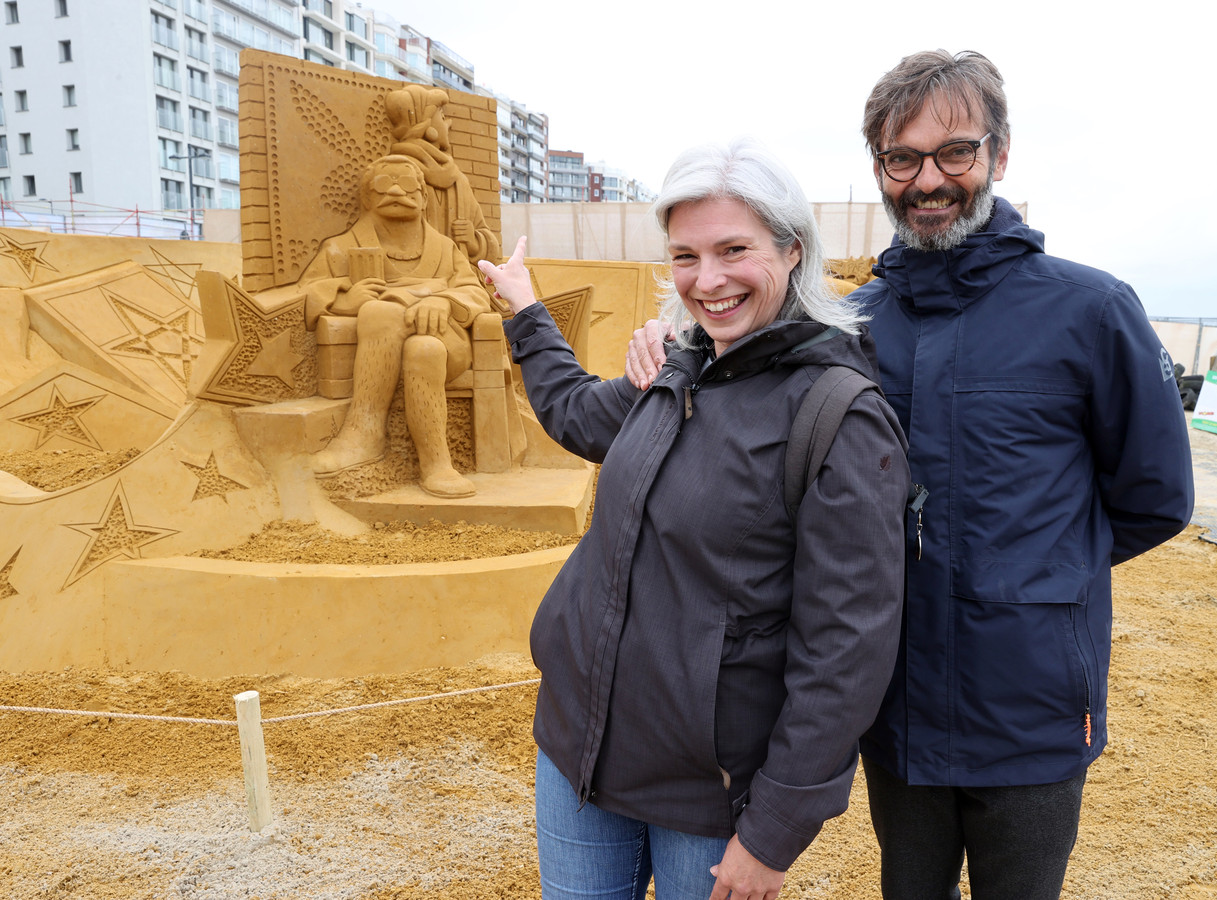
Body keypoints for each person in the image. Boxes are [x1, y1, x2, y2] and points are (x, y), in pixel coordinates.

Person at [626, 51, 1195, 900]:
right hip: (896, 707)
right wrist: (666, 350)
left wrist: (1038, 574)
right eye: (902, 159)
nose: (929, 180)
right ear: (880, 171)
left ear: (999, 156)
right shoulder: (850, 324)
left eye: (954, 153)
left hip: (1031, 707)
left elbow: (1155, 499)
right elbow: (733, 360)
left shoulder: (1091, 311)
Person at [479, 139, 909, 900]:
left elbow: (846, 650)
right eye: (685, 255)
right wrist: (526, 310)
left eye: (733, 249)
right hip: (579, 747)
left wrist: (774, 833)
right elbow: (577, 414)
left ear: (792, 250)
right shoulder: (678, 368)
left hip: (709, 796)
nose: (707, 281)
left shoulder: (838, 414)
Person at [302, 154, 491, 498]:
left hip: (448, 338)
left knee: (382, 313)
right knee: (422, 349)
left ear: (423, 197)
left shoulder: (446, 249)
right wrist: (345, 295)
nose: (395, 192)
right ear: (367, 197)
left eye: (406, 185)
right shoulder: (342, 248)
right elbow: (307, 291)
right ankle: (433, 462)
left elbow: (476, 292)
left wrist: (443, 300)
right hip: (422, 346)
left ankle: (364, 432)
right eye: (383, 185)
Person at [386, 84, 502, 270]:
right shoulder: (399, 172)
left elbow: (489, 242)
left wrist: (473, 240)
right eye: (442, 116)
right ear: (428, 126)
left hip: (460, 281)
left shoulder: (457, 180)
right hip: (418, 281)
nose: (448, 123)